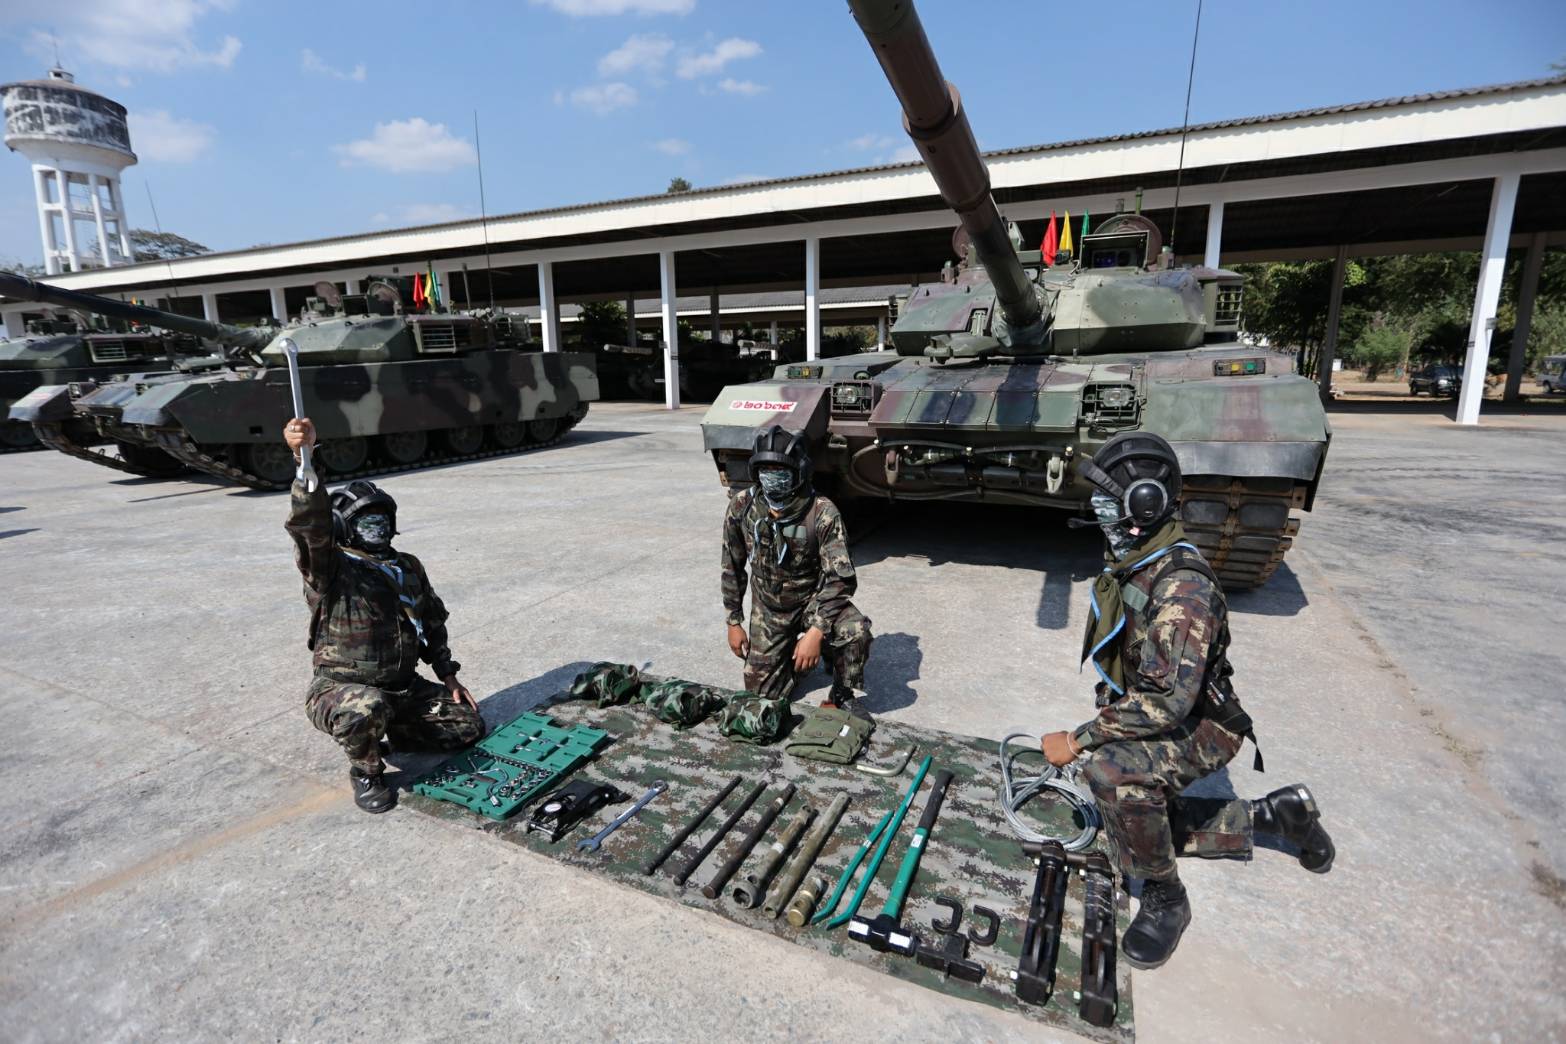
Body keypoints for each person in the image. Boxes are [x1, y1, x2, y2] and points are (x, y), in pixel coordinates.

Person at [1040, 432, 1334, 969]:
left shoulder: (1182, 592)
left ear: (1142, 505)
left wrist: (1081, 738)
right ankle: (1274, 816)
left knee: (1111, 774)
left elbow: (1167, 705)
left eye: (1108, 500)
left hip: (1205, 723)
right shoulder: (1140, 557)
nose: (1097, 509)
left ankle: (1165, 897)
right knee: (1126, 819)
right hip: (1167, 704)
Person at [282, 417, 485, 813]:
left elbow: (431, 619)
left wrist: (448, 674)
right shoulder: (331, 568)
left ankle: (386, 730)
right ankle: (366, 769)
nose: (376, 527)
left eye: (381, 518)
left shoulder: (406, 566)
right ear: (345, 526)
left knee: (468, 726)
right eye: (364, 520)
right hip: (342, 687)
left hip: (402, 685)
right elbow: (310, 527)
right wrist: (304, 460)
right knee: (365, 708)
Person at [721, 424, 873, 717]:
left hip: (811, 601)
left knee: (856, 632)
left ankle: (841, 689)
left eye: (780, 471)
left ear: (799, 471)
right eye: (764, 469)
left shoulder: (821, 511)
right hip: (769, 609)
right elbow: (732, 565)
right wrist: (733, 620)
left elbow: (841, 580)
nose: (772, 477)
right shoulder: (743, 506)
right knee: (761, 699)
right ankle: (788, 659)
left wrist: (816, 631)